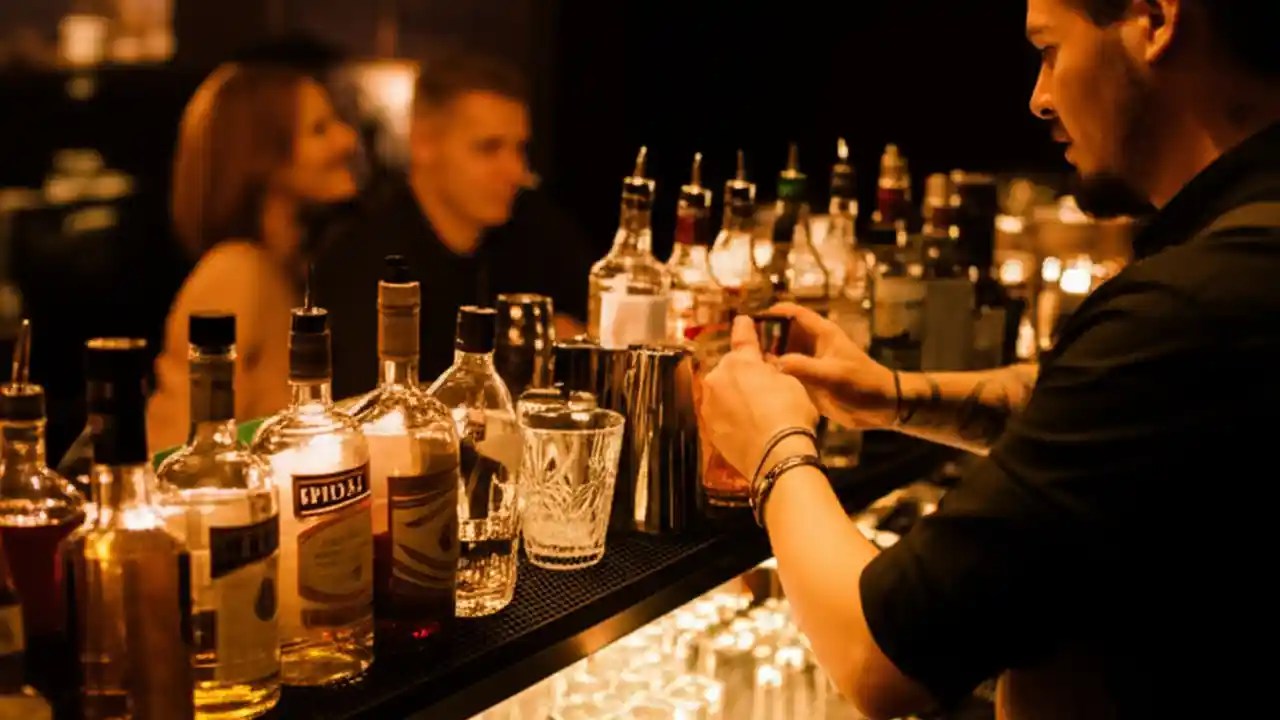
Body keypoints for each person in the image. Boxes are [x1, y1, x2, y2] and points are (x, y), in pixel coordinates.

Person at [700, 1, 1280, 718]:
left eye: (1050, 50)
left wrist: (774, 446)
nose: (1038, 98)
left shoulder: (1193, 305)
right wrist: (893, 394)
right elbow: (1096, 405)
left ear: (1156, 19)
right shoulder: (1242, 257)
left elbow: (877, 659)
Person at [313, 47, 594, 397]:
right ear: (424, 144)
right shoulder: (360, 260)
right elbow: (369, 409)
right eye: (489, 148)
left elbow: (597, 334)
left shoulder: (536, 230)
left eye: (519, 149)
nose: (516, 171)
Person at [147, 63, 359, 452]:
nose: (347, 139)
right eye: (320, 129)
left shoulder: (282, 270)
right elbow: (182, 452)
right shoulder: (236, 271)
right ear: (261, 157)